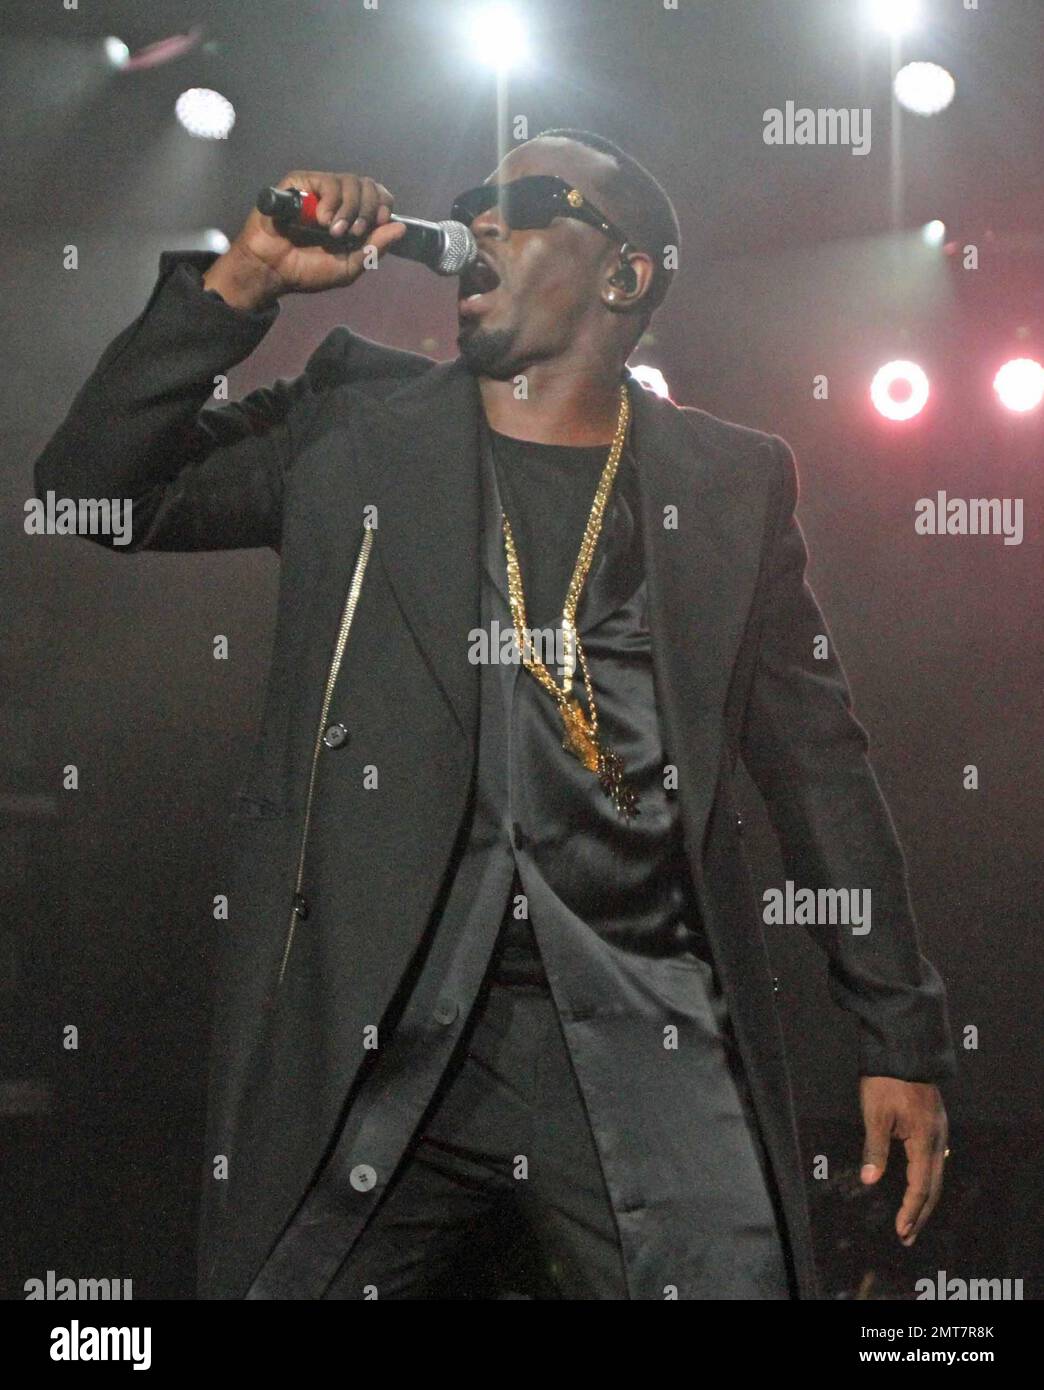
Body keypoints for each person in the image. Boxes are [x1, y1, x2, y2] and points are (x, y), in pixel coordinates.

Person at [33, 129, 955, 1300]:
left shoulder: (728, 485)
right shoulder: (352, 428)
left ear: (626, 273)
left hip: (642, 1016)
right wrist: (244, 283)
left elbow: (820, 766)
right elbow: (85, 495)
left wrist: (900, 1034)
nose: (480, 223)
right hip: (386, 1028)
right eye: (473, 201)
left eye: (525, 203)